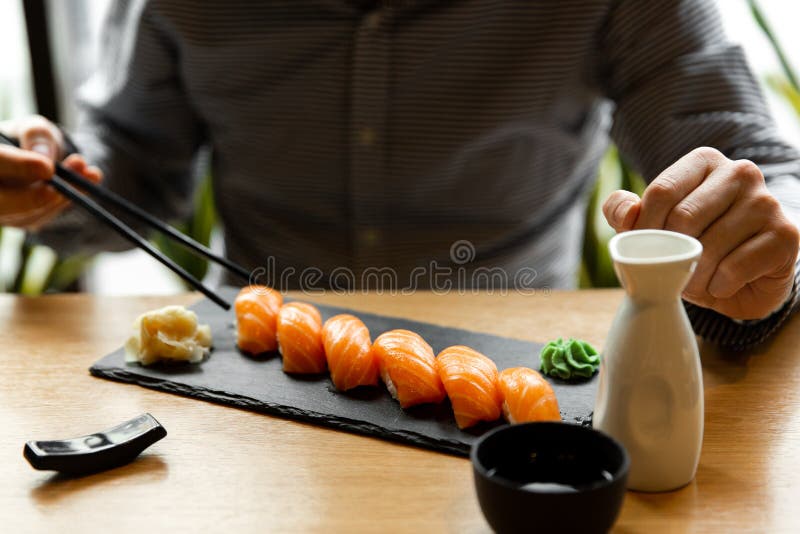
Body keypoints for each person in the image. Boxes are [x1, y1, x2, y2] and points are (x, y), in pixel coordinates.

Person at [1, 0, 798, 349]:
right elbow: (134, 170)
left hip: (522, 375)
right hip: (260, 368)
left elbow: (759, 168)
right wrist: (52, 182)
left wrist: (759, 251)